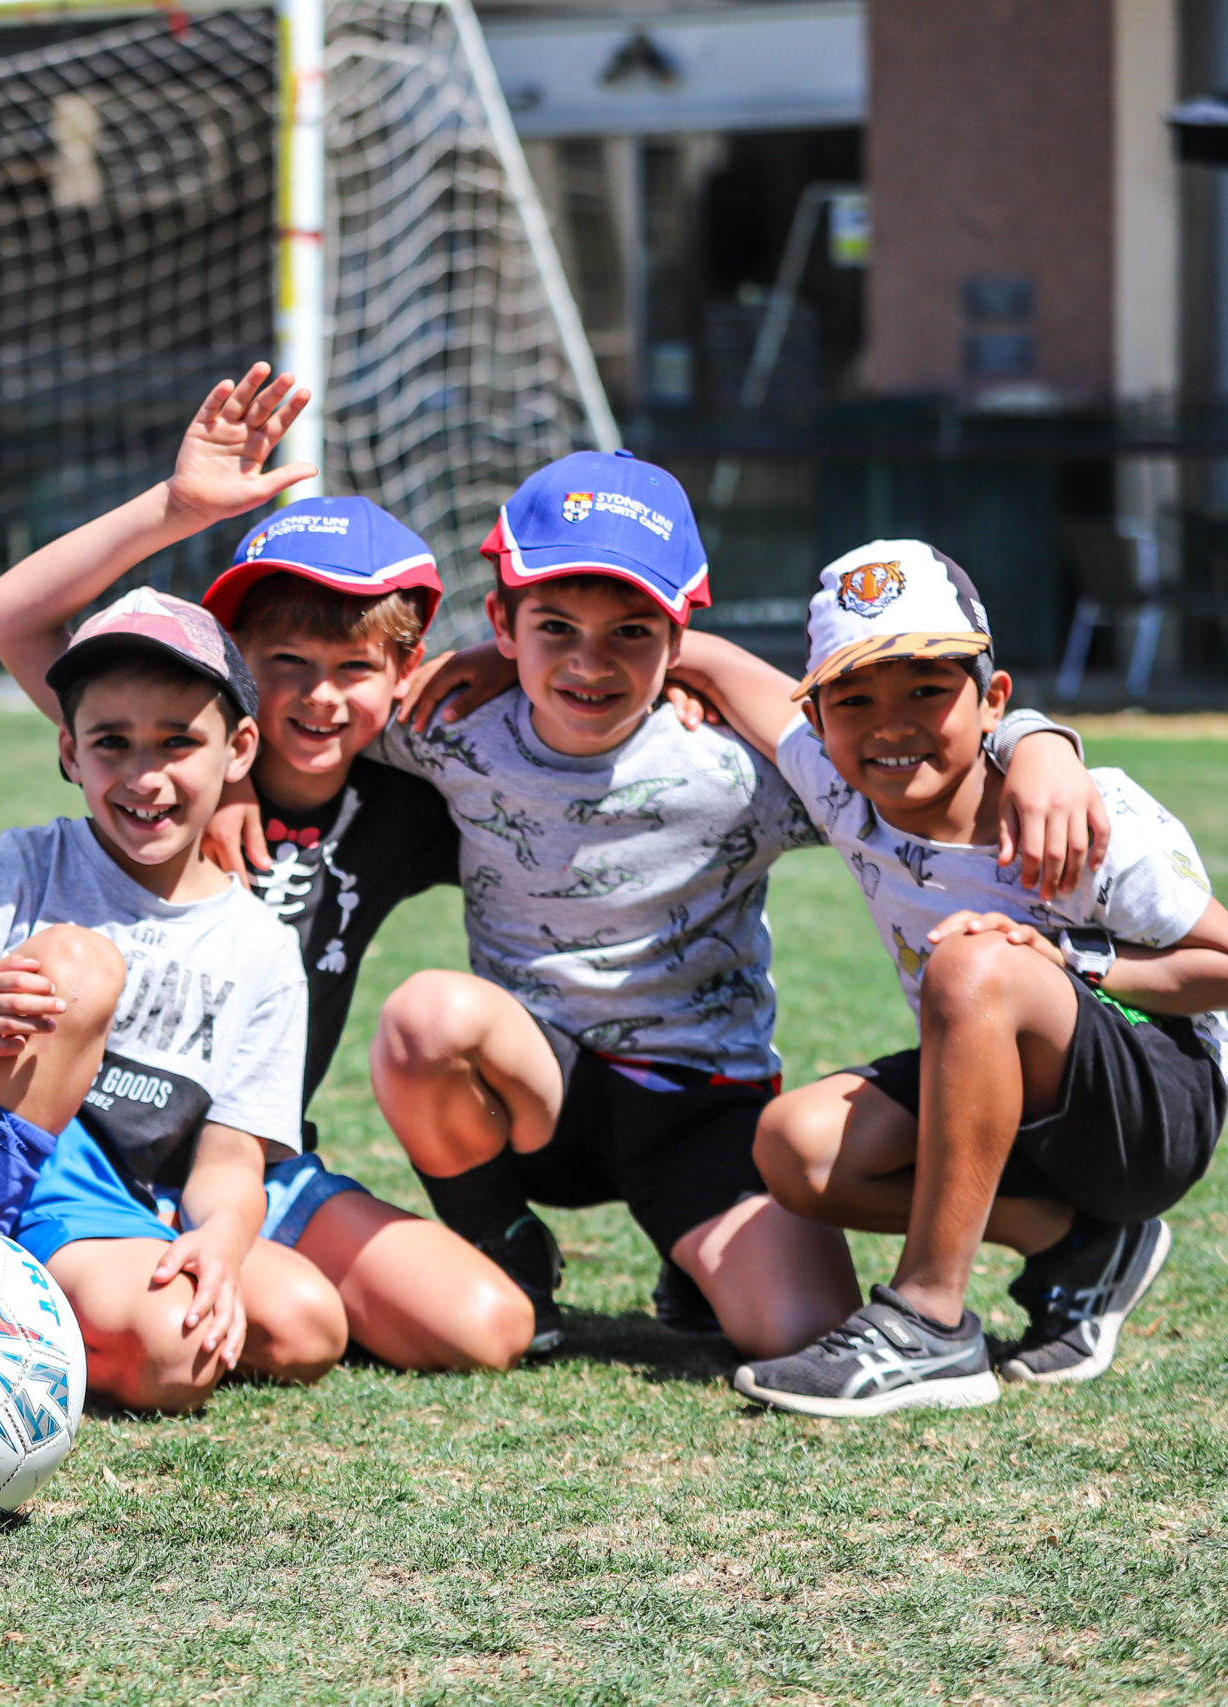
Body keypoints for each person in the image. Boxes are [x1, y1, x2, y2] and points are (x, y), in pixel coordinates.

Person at [359, 450, 1109, 1366]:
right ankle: (501, 1245)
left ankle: (699, 1263)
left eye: (632, 632)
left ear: (679, 636)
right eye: (555, 627)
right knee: (425, 1015)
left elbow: (908, 762)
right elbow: (296, 724)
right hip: (536, 1090)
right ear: (502, 624)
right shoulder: (449, 721)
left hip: (698, 1109)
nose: (591, 663)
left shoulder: (732, 765)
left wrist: (1039, 743)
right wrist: (237, 792)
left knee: (795, 1329)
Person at [0, 366, 534, 1373]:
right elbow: (14, 617)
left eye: (355, 668)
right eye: (284, 664)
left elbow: (555, 770)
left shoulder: (407, 802)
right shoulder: (167, 756)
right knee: (196, 1339)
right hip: (92, 1150)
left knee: (485, 1329)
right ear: (231, 664)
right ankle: (66, 1283)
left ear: (402, 675)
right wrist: (173, 509)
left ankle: (262, 1272)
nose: (318, 699)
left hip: (247, 1161)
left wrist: (519, 662)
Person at [640, 542, 1224, 1417]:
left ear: (993, 699)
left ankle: (929, 1322)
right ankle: (1079, 1248)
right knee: (795, 1147)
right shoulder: (842, 789)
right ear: (817, 716)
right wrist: (509, 657)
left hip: (1149, 1108)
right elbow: (707, 658)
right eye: (855, 698)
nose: (889, 723)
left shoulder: (1078, 814)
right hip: (1000, 1090)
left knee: (976, 964)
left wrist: (1068, 955)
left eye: (925, 689)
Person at [0, 583, 351, 1413]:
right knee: (76, 962)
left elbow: (230, 1161)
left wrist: (219, 1235)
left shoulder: (262, 944)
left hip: (121, 1205)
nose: (145, 776)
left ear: (239, 748)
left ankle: (60, 1313)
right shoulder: (14, 868)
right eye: (112, 742)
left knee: (309, 1322)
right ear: (68, 751)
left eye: (178, 741)